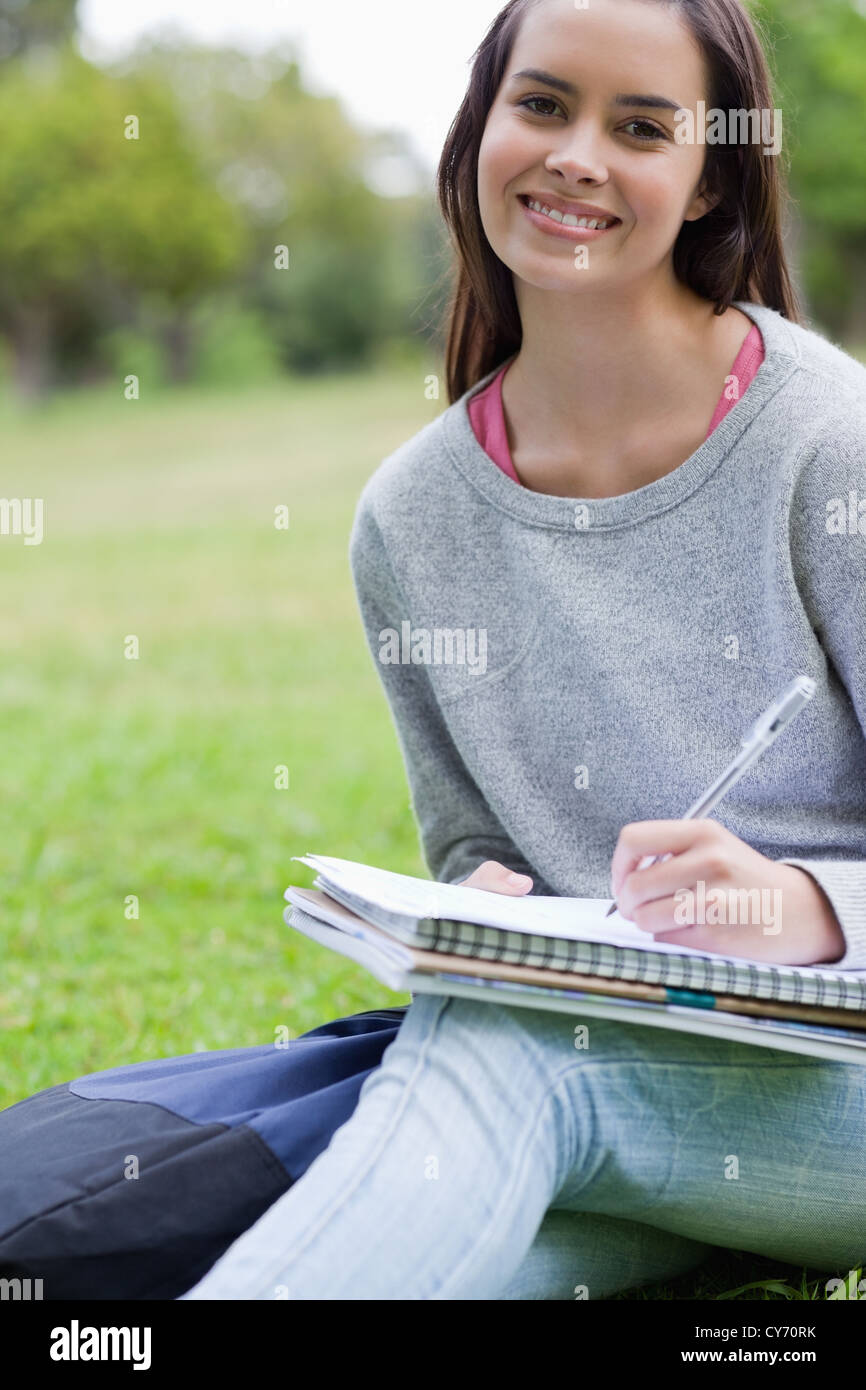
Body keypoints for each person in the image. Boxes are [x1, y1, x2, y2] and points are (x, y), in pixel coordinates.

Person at [184, 0, 866, 1300]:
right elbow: (468, 850)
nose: (575, 156)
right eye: (541, 105)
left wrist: (805, 908)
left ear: (706, 174)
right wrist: (486, 902)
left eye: (639, 126)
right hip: (610, 1096)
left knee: (501, 1044)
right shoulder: (411, 517)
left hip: (834, 1090)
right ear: (480, 127)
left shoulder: (830, 449)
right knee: (493, 1245)